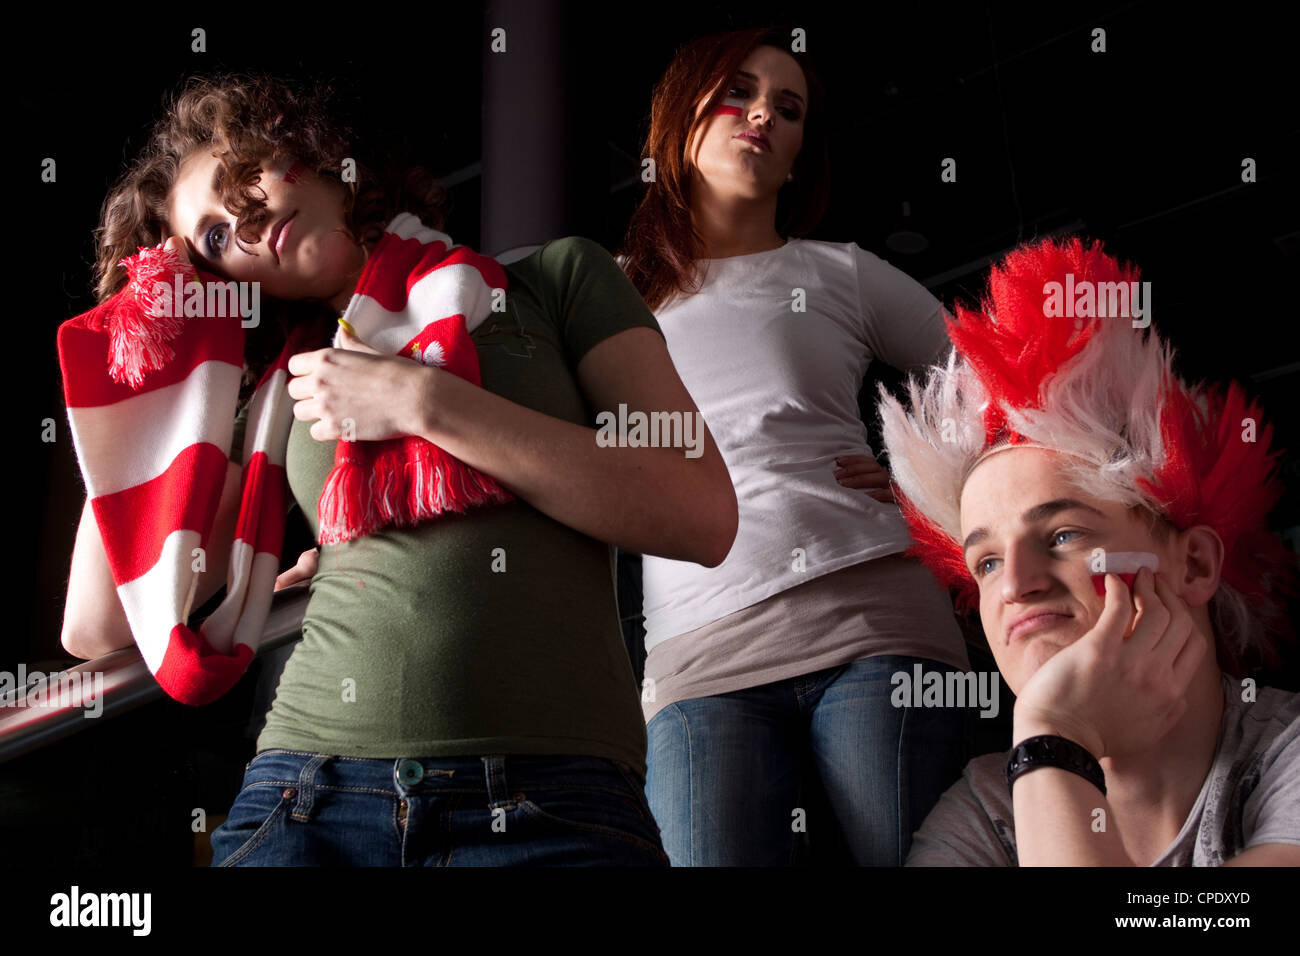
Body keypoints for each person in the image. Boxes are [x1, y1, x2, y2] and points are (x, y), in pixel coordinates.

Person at [59, 73, 738, 866]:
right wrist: (159, 348)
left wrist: (427, 403)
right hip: (309, 795)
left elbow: (700, 513)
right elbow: (97, 622)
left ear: (306, 151)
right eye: (211, 239)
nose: (241, 224)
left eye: (241, 177)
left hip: (556, 802)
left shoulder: (556, 280)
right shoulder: (284, 386)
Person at [618, 27, 972, 866]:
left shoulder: (838, 272)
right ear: (681, 119)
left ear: (796, 158)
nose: (761, 116)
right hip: (697, 654)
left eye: (789, 109)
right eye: (738, 93)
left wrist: (933, 483)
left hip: (874, 616)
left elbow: (995, 373)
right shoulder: (610, 288)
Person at [877, 236, 1300, 866]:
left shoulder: (1286, 757)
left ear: (1194, 565)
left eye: (1063, 536)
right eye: (986, 562)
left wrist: (1053, 740)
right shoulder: (984, 815)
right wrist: (1052, 733)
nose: (1016, 585)